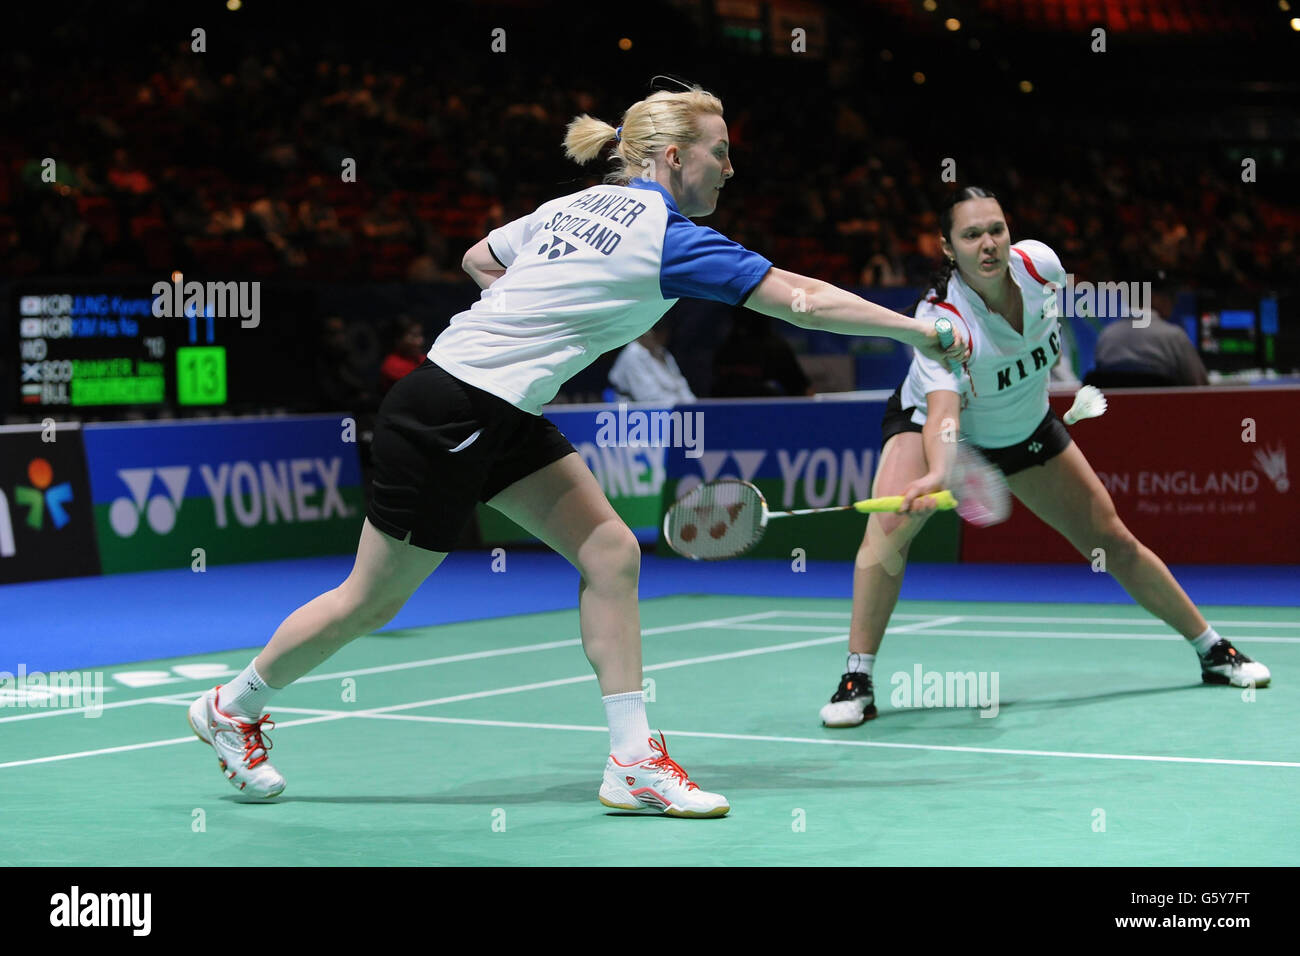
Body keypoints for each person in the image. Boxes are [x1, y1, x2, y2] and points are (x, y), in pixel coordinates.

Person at [185, 83, 968, 816]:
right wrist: (917, 326)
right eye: (719, 151)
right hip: (448, 412)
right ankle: (231, 705)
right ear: (672, 158)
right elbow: (804, 301)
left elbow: (479, 260)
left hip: (496, 409)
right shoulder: (671, 239)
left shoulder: (576, 204)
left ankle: (631, 761)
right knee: (373, 599)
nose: (731, 166)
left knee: (609, 551)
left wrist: (529, 315)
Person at [818, 187, 1270, 728]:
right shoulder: (942, 321)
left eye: (996, 229)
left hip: (1024, 429)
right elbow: (942, 410)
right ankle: (857, 679)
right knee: (885, 537)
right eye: (971, 235)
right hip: (930, 425)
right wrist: (940, 471)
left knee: (1114, 542)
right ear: (947, 248)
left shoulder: (1042, 266)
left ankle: (1213, 650)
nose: (988, 244)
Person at [1091, 285, 1208, 386]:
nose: (1173, 303)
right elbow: (1199, 385)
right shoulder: (1174, 336)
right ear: (1153, 298)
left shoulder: (1106, 335)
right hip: (1165, 410)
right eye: (1170, 298)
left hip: (1116, 411)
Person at [711, 311, 814, 397]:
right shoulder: (728, 348)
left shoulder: (776, 348)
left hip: (769, 415)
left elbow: (800, 389)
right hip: (728, 414)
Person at [607, 320, 695, 403]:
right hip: (636, 415)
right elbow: (648, 397)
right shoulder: (632, 354)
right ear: (646, 332)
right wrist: (681, 406)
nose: (663, 338)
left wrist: (693, 405)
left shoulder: (662, 352)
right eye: (657, 333)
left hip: (674, 409)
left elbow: (680, 384)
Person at [379, 315, 426, 395]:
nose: (420, 341)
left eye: (420, 335)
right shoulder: (392, 365)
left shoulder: (423, 359)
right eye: (414, 336)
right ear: (398, 339)